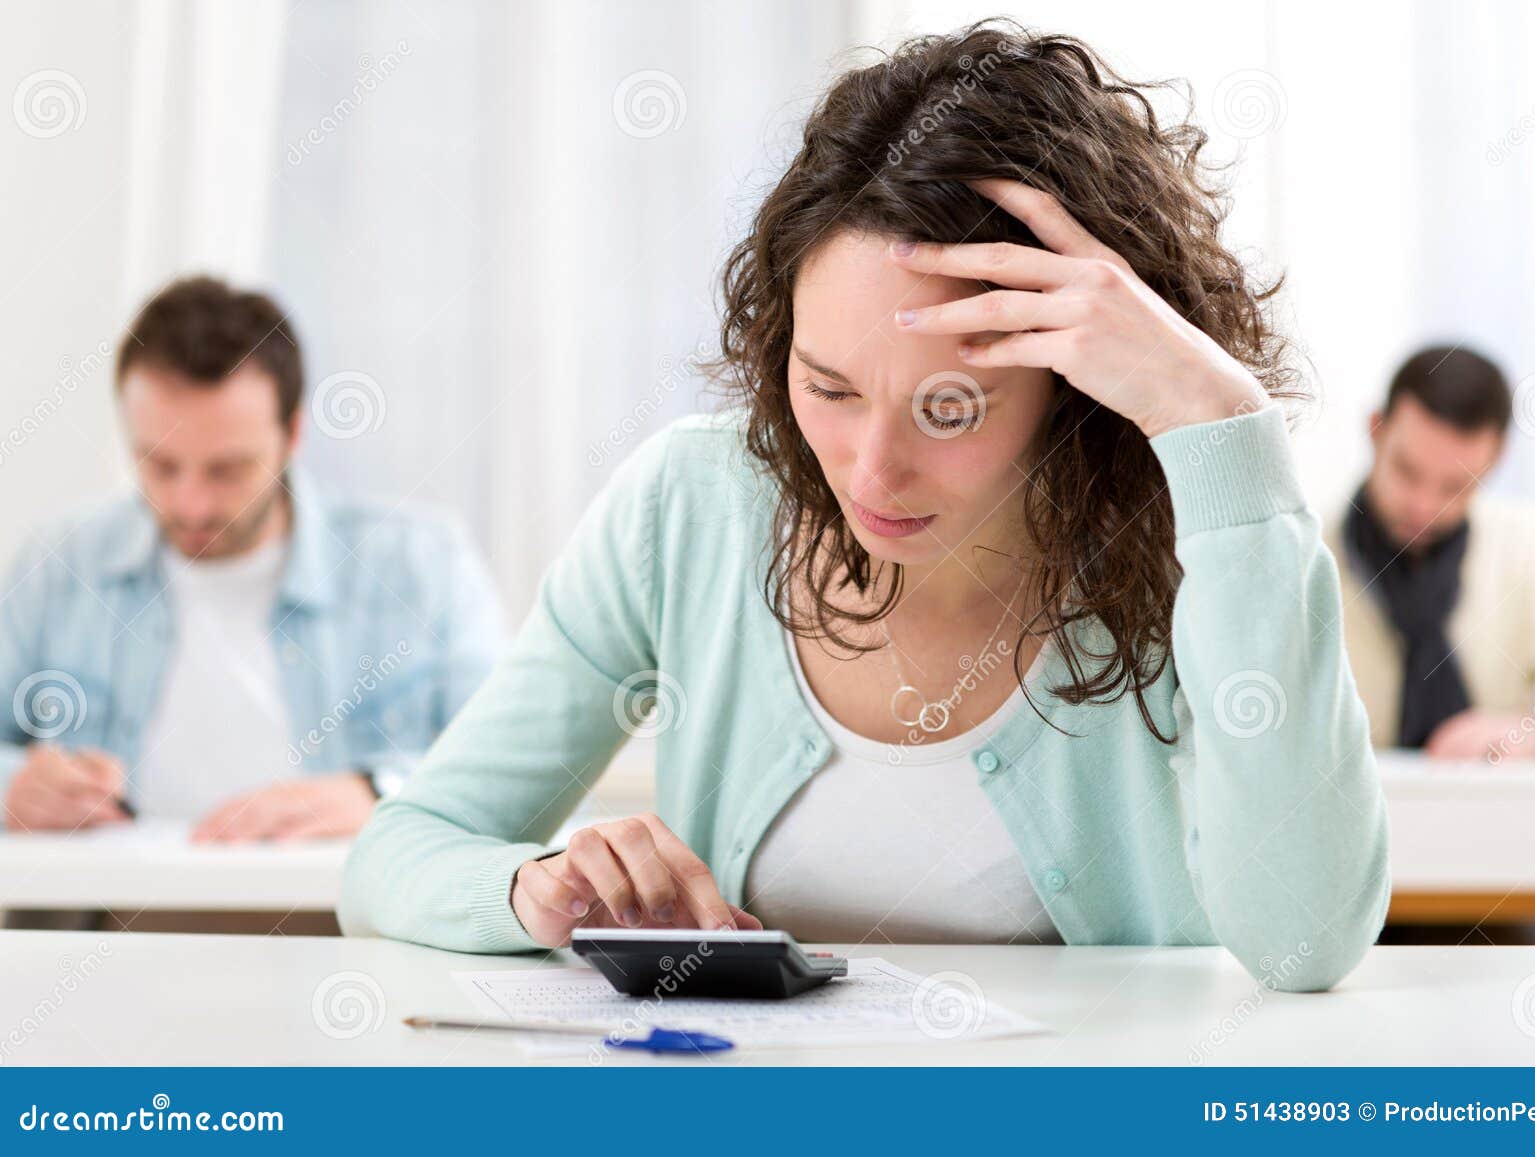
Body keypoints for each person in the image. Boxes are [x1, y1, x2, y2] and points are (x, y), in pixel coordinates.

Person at [339, 22, 1389, 992]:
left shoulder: (1196, 533)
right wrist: (536, 883)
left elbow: (1303, 940)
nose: (870, 473)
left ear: (1073, 389)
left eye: (948, 408)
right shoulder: (691, 508)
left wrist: (1217, 423)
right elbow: (398, 851)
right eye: (830, 389)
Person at [0, 276, 505, 841]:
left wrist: (379, 793)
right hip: (105, 920)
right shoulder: (59, 566)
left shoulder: (421, 564)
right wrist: (14, 785)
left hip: (345, 922)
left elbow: (513, 767)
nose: (190, 504)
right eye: (160, 464)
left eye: (227, 469)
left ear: (293, 435)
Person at [1329, 346, 1535, 759]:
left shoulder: (1531, 547)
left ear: (1495, 462)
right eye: (1407, 470)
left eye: (1455, 486)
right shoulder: (1306, 553)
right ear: (1375, 429)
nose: (1424, 506)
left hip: (1495, 817)